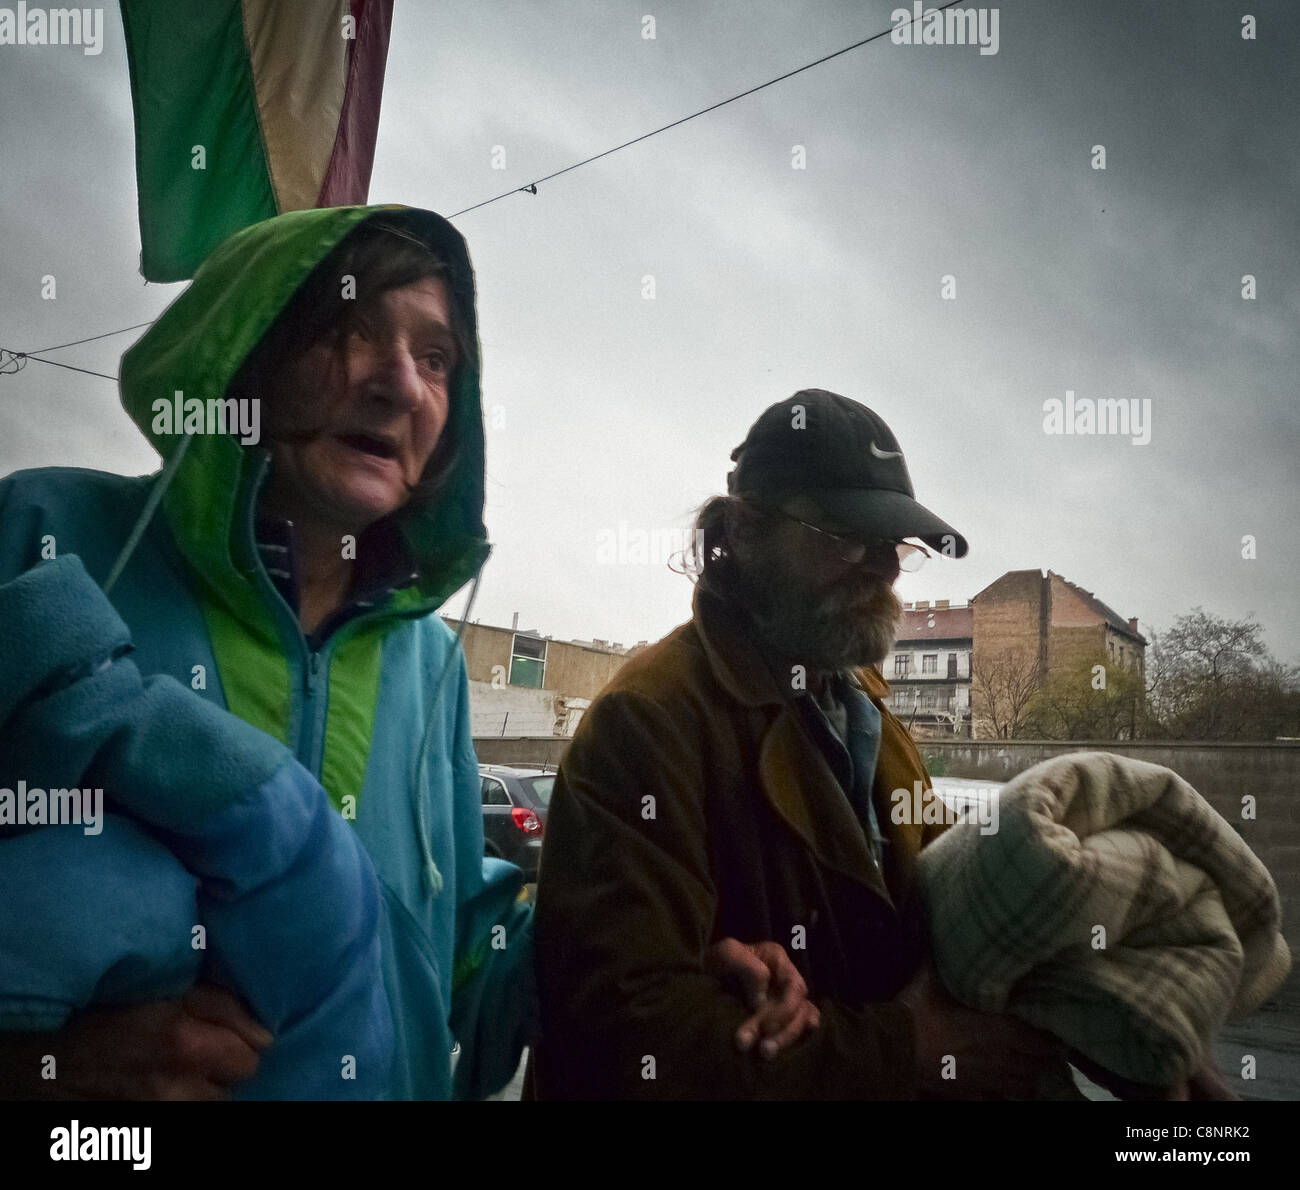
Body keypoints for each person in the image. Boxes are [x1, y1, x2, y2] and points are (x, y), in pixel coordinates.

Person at [0, 206, 814, 1100]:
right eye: (350, 332)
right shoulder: (47, 537)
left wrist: (669, 956)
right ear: (249, 353)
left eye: (437, 359)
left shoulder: (431, 666)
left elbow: (457, 967)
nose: (401, 384)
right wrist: (37, 1061)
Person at [533, 389, 1074, 1099]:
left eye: (893, 545)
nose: (881, 567)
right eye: (844, 535)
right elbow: (628, 1035)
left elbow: (959, 912)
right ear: (745, 530)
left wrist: (1133, 1032)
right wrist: (901, 1050)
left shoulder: (869, 714)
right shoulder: (649, 720)